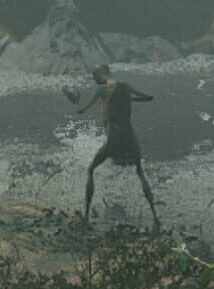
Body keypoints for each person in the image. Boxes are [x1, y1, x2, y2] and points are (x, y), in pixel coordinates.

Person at [65, 63, 159, 227]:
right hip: (130, 137)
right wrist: (130, 99)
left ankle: (86, 216)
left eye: (95, 75)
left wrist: (76, 101)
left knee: (91, 169)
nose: (94, 78)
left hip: (115, 137)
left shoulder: (102, 90)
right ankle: (155, 217)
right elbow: (149, 97)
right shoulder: (125, 86)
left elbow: (82, 110)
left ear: (102, 74)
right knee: (140, 172)